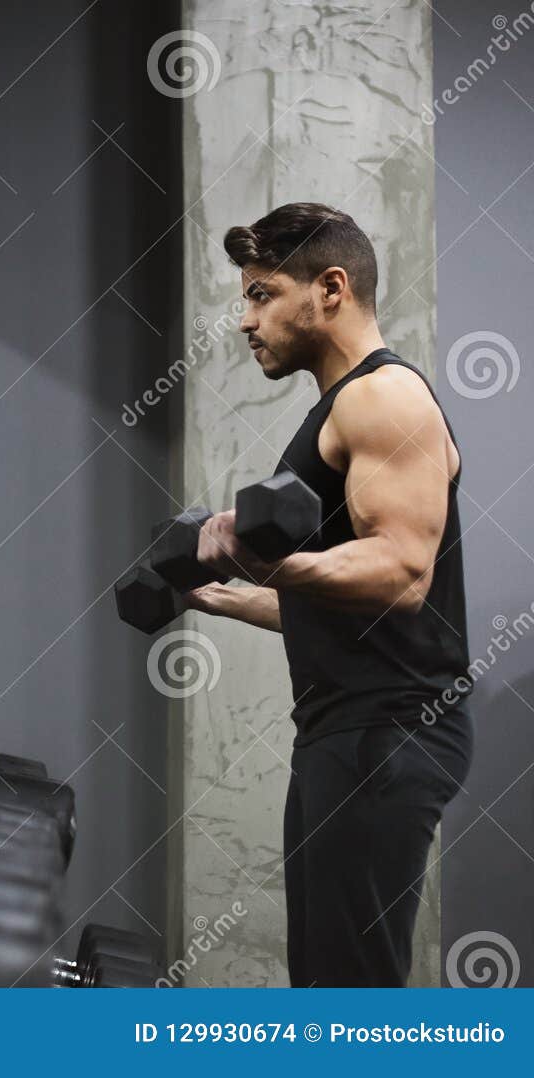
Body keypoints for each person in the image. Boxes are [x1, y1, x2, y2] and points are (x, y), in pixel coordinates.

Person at [183, 202, 473, 986]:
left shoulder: (383, 399)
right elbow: (349, 601)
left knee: (352, 997)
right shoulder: (337, 408)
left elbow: (401, 573)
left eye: (262, 293)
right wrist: (222, 594)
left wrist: (259, 562)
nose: (243, 319)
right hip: (344, 732)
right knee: (322, 986)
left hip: (388, 732)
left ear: (332, 287)